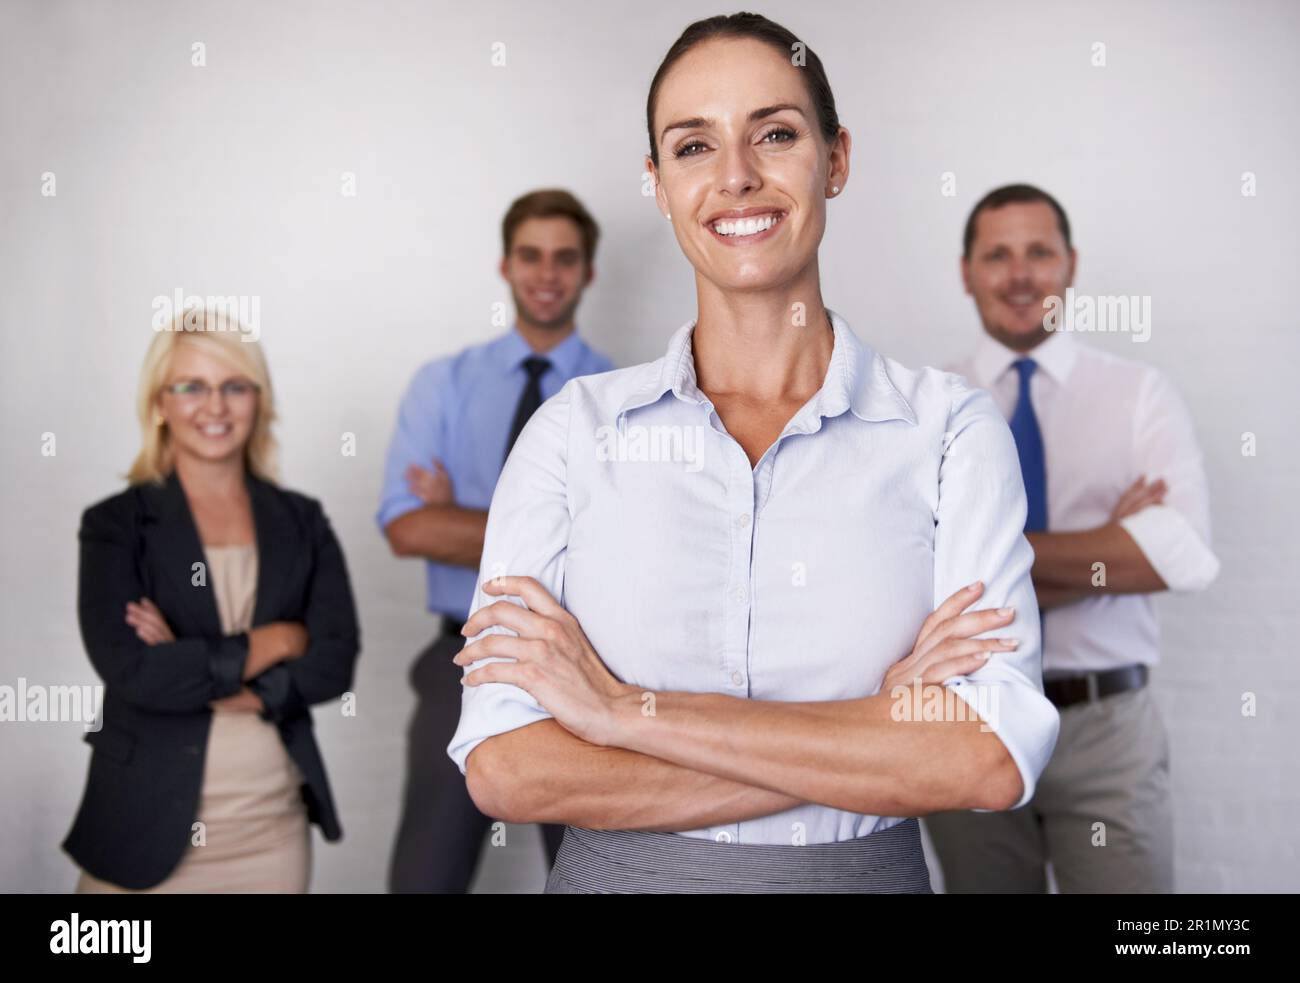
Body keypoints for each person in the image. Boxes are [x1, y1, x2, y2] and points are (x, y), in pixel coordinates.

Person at [445, 13, 1060, 894]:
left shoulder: (950, 431)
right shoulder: (572, 434)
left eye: (775, 134)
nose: (736, 176)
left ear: (836, 159)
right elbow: (508, 768)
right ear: (657, 184)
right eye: (694, 147)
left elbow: (984, 759)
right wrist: (875, 729)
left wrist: (621, 714)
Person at [923, 184, 1220, 893]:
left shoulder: (1140, 394)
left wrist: (985, 560)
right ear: (966, 271)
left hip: (1106, 730)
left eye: (1038, 253)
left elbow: (1181, 554)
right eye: (997, 255)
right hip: (969, 719)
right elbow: (912, 581)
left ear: (1071, 264)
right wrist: (1109, 542)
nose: (1019, 274)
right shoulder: (925, 405)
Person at [63, 309, 360, 892]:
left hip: (268, 831)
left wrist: (196, 663)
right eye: (191, 386)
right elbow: (135, 672)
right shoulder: (115, 526)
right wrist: (278, 640)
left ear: (259, 400)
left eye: (234, 387)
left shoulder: (301, 520)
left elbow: (334, 663)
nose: (215, 407)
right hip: (141, 825)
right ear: (159, 403)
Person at [379, 189, 615, 892]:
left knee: (591, 878)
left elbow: (628, 546)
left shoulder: (622, 394)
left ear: (589, 272)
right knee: (427, 877)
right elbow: (408, 527)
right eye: (531, 255)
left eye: (566, 258)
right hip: (463, 651)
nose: (548, 273)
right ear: (505, 265)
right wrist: (565, 525)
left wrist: (461, 516)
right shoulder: (442, 385)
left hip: (587, 664)